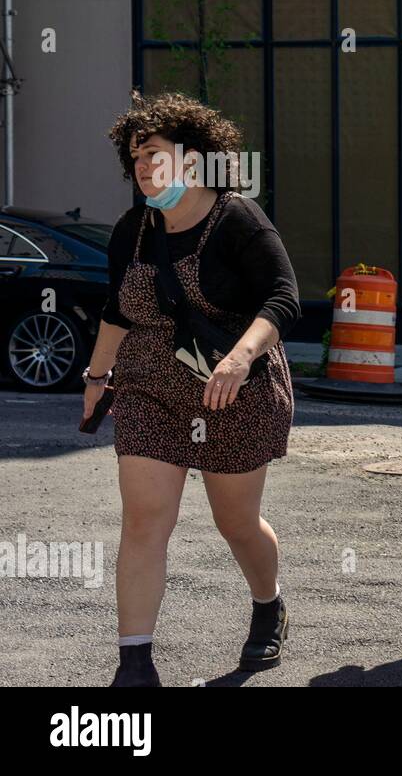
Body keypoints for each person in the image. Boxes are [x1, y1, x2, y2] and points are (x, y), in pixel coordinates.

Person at [89, 92, 300, 686]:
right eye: (136, 158)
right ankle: (135, 663)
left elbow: (284, 299)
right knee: (144, 520)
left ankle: (268, 605)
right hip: (148, 389)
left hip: (232, 390)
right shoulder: (133, 229)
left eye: (155, 153)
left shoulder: (238, 218)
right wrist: (97, 377)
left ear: (194, 157)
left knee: (236, 524)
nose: (144, 167)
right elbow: (117, 310)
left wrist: (239, 357)